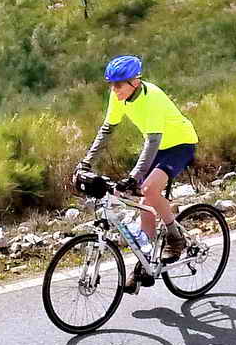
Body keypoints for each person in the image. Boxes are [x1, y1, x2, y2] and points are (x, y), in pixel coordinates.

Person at [75, 55, 199, 292]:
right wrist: (85, 164)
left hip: (179, 144)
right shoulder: (117, 97)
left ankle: (175, 237)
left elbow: (152, 142)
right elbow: (107, 130)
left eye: (118, 84)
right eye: (111, 84)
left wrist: (134, 176)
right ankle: (145, 264)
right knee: (145, 204)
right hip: (158, 147)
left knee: (148, 189)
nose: (114, 89)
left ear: (135, 82)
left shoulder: (152, 98)